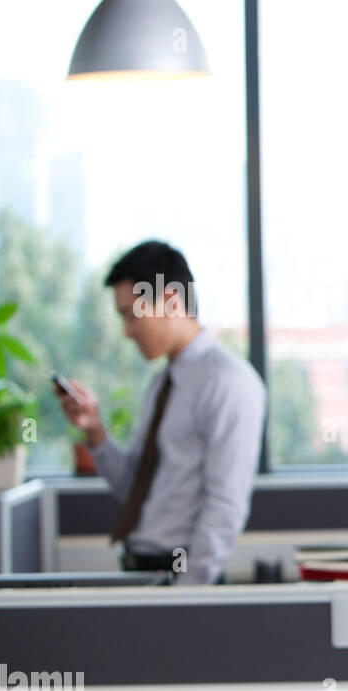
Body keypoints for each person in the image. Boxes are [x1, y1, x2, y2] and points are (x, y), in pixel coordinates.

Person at [56, 240, 266, 585]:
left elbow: (224, 508)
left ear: (170, 301)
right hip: (144, 573)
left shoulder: (230, 382)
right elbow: (133, 489)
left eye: (131, 315)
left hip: (181, 577)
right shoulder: (162, 385)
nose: (126, 332)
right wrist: (96, 432)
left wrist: (183, 594)